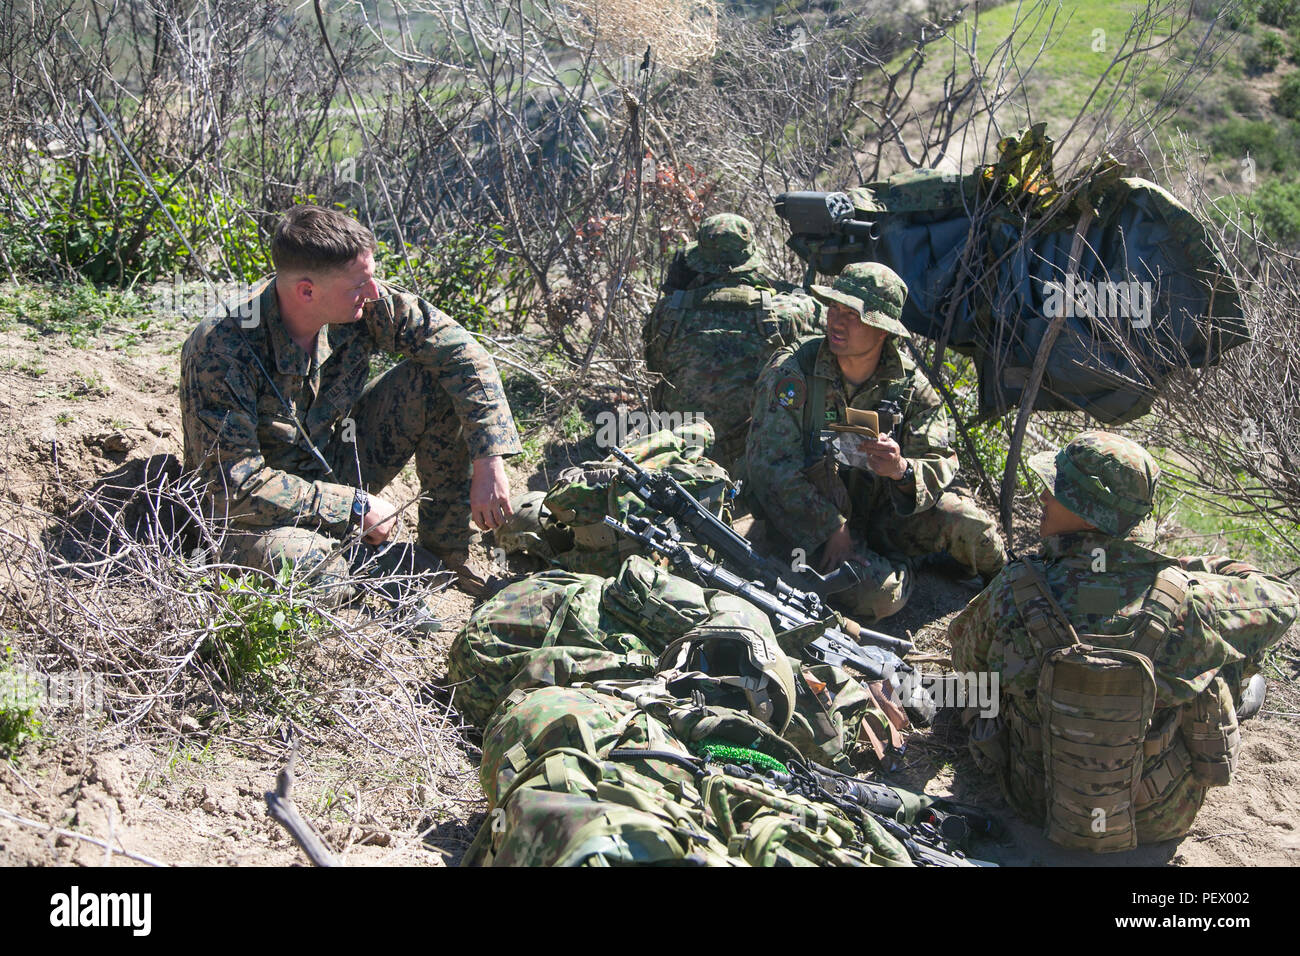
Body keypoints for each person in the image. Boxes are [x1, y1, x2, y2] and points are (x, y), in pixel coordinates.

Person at [949, 430, 1298, 850]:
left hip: (1036, 801)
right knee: (1223, 650)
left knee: (981, 684)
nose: (1042, 495)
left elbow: (966, 662)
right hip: (1161, 812)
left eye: (1057, 489)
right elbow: (1282, 600)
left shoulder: (1013, 589)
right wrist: (1197, 567)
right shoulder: (1191, 597)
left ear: (1088, 512)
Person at [180, 205, 521, 600]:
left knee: (435, 381)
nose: (374, 293)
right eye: (360, 286)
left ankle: (442, 558)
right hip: (255, 516)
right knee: (316, 571)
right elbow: (232, 487)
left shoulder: (360, 298)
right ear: (306, 291)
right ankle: (364, 569)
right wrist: (352, 507)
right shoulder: (220, 348)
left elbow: (462, 354)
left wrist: (489, 458)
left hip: (333, 463)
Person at [743, 261, 1006, 622]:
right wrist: (829, 525)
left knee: (976, 530)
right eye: (835, 308)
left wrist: (902, 470)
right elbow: (769, 466)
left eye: (854, 314)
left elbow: (939, 458)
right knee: (878, 597)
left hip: (886, 515)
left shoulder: (910, 386)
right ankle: (906, 570)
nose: (836, 321)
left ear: (882, 330)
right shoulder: (793, 373)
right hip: (807, 523)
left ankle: (1005, 588)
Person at [644, 213, 823, 470]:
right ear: (750, 257)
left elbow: (655, 365)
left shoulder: (667, 313)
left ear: (698, 260)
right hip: (759, 460)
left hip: (683, 456)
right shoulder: (787, 311)